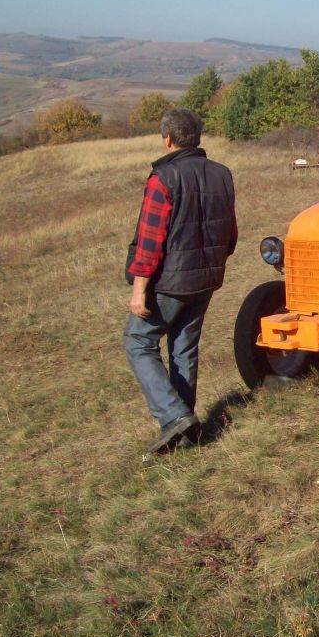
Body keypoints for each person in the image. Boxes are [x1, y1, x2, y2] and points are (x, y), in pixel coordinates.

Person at [123, 108, 237, 454]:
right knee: (183, 348)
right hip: (207, 277)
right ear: (196, 138)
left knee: (138, 343)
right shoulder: (222, 174)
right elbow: (230, 234)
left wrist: (139, 289)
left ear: (168, 139)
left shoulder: (163, 178)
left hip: (170, 283)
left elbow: (149, 241)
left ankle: (173, 416)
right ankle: (185, 431)